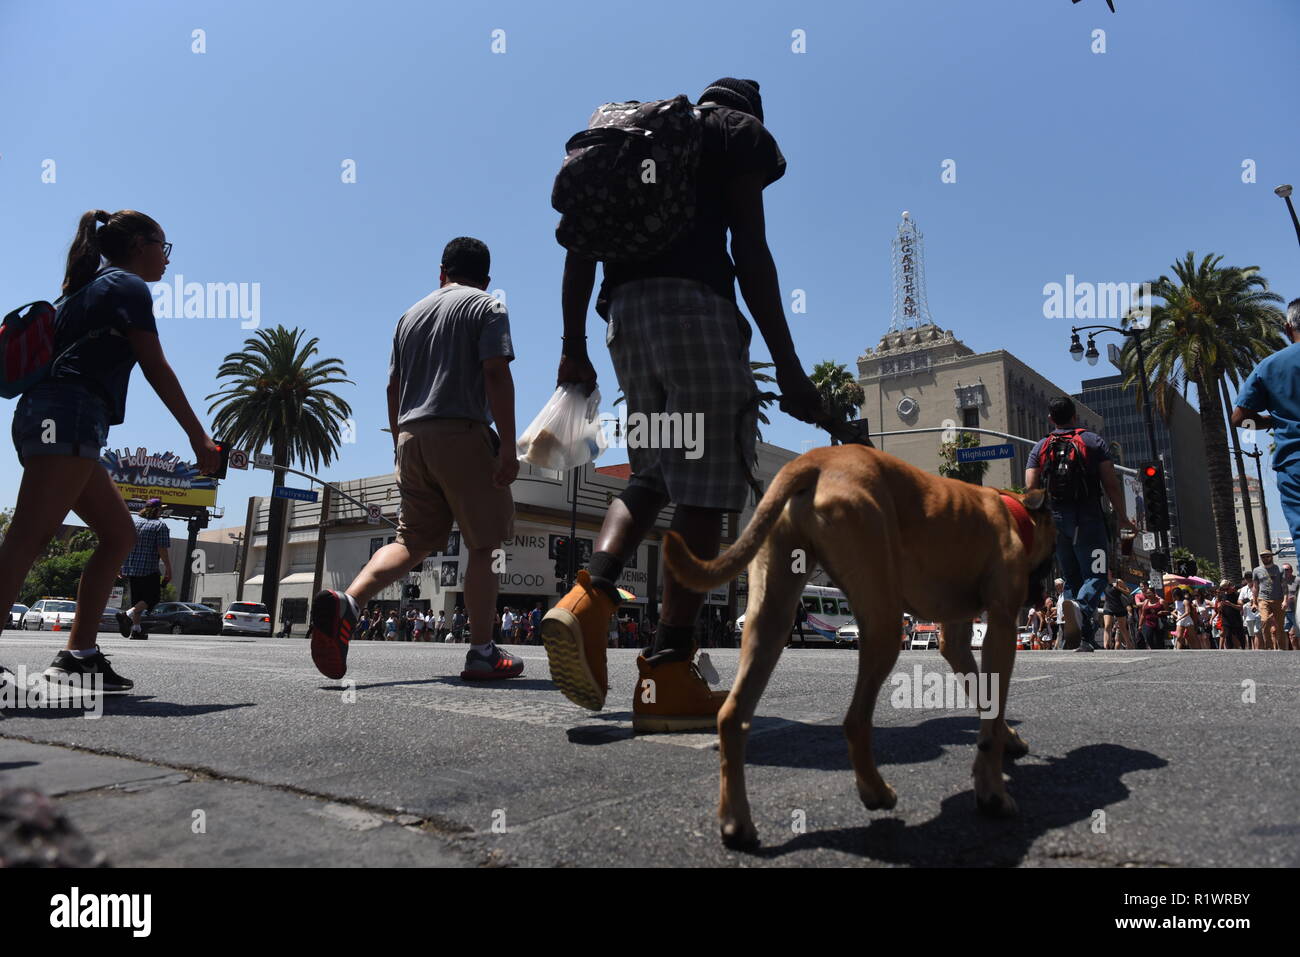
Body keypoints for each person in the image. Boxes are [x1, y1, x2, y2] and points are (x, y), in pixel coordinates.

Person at [542, 78, 828, 730]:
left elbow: (578, 252)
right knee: (705, 488)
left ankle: (588, 597)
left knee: (656, 473)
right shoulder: (735, 133)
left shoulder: (644, 142)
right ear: (750, 112)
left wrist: (571, 345)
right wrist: (788, 366)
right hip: (695, 310)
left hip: (626, 320)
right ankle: (670, 667)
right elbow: (750, 252)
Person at [0, 209, 219, 693]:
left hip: (57, 418)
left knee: (119, 533)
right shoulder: (126, 287)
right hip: (68, 415)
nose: (165, 259)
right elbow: (155, 365)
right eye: (162, 246)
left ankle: (79, 656)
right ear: (139, 243)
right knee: (29, 537)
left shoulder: (83, 288)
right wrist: (197, 436)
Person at [309, 238, 523, 681]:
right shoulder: (486, 306)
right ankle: (482, 652)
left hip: (410, 436)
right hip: (462, 432)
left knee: (412, 541)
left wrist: (398, 442)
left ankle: (350, 601)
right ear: (486, 279)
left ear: (441, 272)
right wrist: (508, 444)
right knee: (484, 544)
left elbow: (392, 386)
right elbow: (496, 371)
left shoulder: (409, 316)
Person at [1026, 396, 1136, 653]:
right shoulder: (1093, 441)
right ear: (1075, 416)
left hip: (1057, 523)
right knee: (1096, 574)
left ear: (1051, 419)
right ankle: (1083, 609)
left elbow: (1030, 488)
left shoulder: (1041, 447)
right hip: (1089, 520)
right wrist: (1122, 517)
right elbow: (1110, 484)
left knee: (1072, 578)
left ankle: (1081, 638)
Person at [1231, 298, 1300, 558]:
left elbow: (1239, 419)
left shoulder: (1270, 366)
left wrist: (1272, 421)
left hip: (1295, 463)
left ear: (1287, 327)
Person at [116, 498, 172, 641]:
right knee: (152, 598)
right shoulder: (160, 526)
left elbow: (124, 544)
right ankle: (126, 615)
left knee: (138, 602)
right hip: (149, 569)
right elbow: (162, 550)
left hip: (131, 569)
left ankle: (136, 630)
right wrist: (168, 568)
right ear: (157, 510)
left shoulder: (133, 523)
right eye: (161, 509)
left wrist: (120, 565)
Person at [1250, 549, 1287, 651]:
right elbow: (1255, 587)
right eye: (1263, 557)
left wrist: (1285, 600)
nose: (1265, 558)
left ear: (1271, 556)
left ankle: (1282, 648)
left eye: (1267, 556)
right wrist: (1254, 602)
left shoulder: (1280, 569)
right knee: (1265, 621)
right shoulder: (1256, 570)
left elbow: (1284, 586)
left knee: (1280, 625)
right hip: (1263, 599)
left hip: (1278, 599)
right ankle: (1269, 647)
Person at [1102, 578, 1133, 649]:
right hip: (1108, 606)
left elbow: (1128, 592)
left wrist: (1118, 587)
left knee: (1122, 628)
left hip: (1119, 607)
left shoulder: (1118, 581)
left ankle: (1129, 645)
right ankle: (1106, 646)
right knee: (1107, 626)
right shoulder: (1103, 581)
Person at [1215, 581, 1246, 650]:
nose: (1225, 591)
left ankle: (1243, 649)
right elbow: (1218, 609)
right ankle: (1230, 652)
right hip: (1226, 620)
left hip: (1236, 619)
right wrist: (1220, 606)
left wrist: (1231, 604)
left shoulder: (1237, 595)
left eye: (1226, 589)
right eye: (1224, 590)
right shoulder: (1222, 596)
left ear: (1230, 587)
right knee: (1228, 637)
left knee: (1240, 637)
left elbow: (1241, 607)